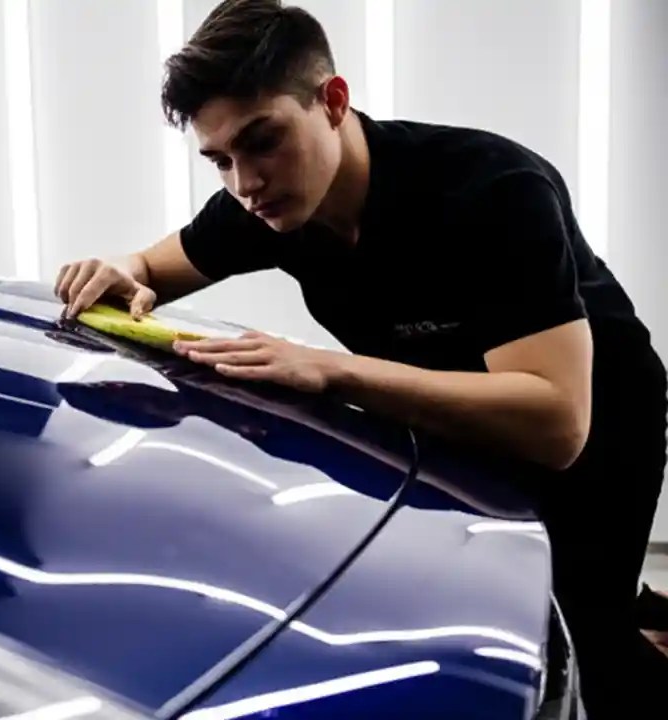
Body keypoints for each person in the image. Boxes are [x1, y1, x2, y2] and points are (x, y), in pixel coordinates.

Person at [54, 0, 668, 714]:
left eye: (263, 141)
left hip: (597, 421)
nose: (244, 183)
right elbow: (149, 269)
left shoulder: (492, 188)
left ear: (334, 101)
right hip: (451, 414)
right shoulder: (267, 205)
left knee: (582, 643)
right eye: (219, 160)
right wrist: (120, 271)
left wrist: (329, 369)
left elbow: (558, 425)